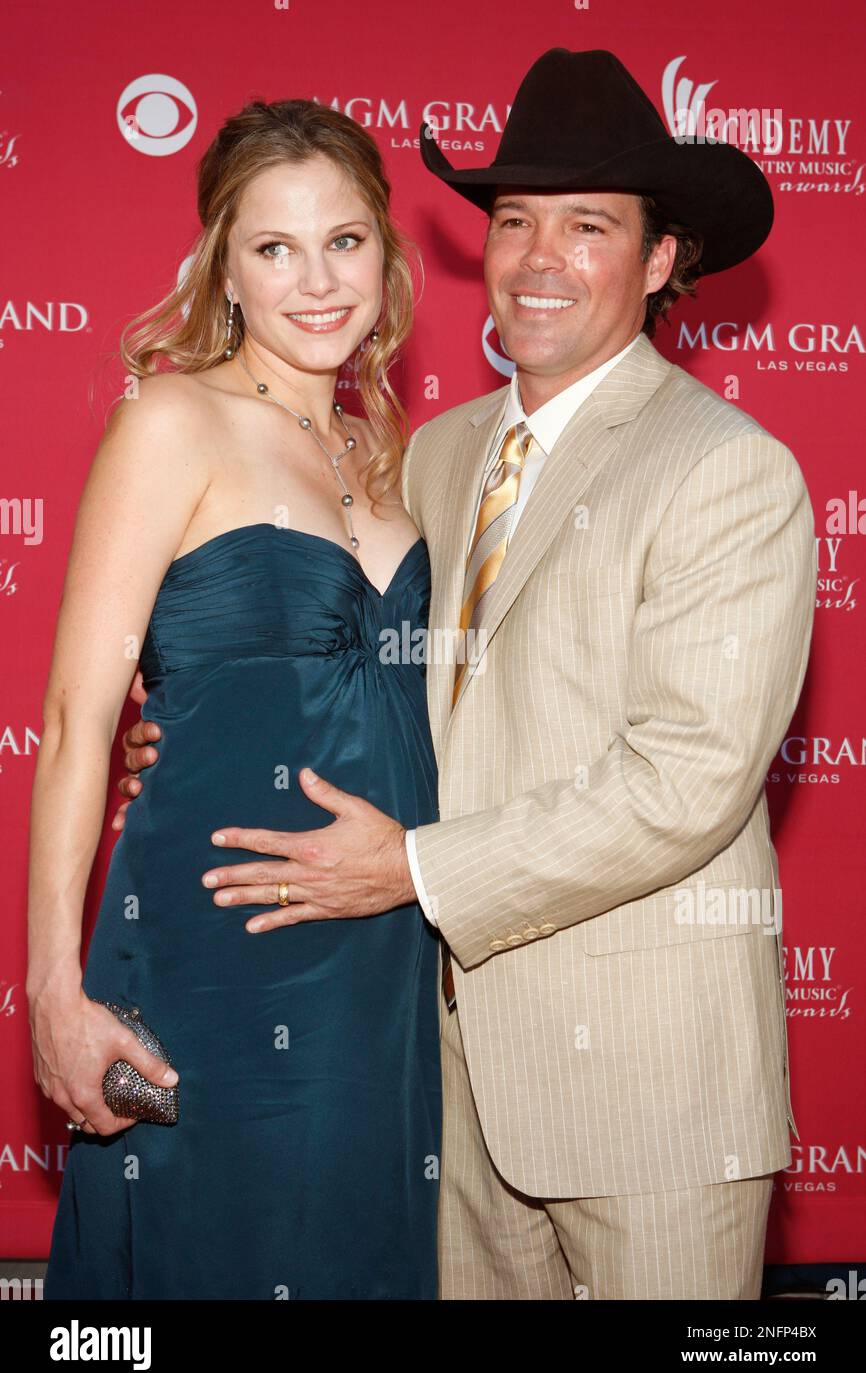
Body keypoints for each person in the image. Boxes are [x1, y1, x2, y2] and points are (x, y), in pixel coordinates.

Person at [116, 50, 817, 1299]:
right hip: (440, 1089)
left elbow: (686, 780)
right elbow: (368, 678)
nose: (537, 259)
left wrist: (414, 868)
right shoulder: (433, 455)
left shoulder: (722, 469)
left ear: (661, 262)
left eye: (587, 226)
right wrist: (203, 721)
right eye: (512, 223)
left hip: (648, 1102)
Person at [29, 98, 441, 1300]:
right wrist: (53, 993)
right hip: (220, 940)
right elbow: (74, 721)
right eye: (274, 249)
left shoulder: (391, 456)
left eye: (345, 241)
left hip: (384, 953)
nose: (316, 281)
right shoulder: (173, 419)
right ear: (225, 266)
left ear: (387, 257)